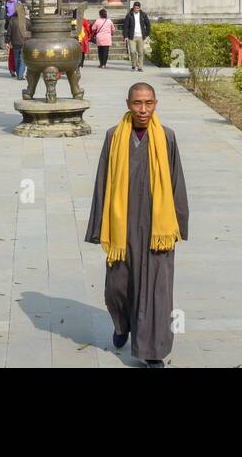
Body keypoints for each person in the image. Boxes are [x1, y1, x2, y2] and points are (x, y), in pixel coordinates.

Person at [85, 82, 189, 367]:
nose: (143, 110)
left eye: (149, 103)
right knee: (117, 286)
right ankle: (121, 324)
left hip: (157, 230)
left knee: (156, 292)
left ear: (156, 104)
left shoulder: (166, 137)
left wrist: (178, 224)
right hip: (123, 228)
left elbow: (176, 182)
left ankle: (152, 352)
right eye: (137, 103)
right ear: (128, 104)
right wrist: (98, 227)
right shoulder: (114, 137)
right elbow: (102, 183)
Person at [122, 1, 151, 71]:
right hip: (132, 37)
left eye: (138, 8)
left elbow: (148, 25)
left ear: (140, 8)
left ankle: (140, 67)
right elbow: (125, 26)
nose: (136, 9)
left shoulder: (143, 15)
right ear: (133, 8)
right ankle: (133, 65)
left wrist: (147, 34)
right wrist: (125, 36)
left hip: (141, 36)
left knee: (140, 52)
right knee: (132, 51)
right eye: (135, 8)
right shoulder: (129, 15)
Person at [8, 1, 30, 80]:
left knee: (16, 58)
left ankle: (18, 74)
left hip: (15, 42)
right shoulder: (27, 21)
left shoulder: (12, 20)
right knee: (22, 59)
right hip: (24, 42)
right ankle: (20, 75)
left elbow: (9, 32)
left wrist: (8, 41)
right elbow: (31, 31)